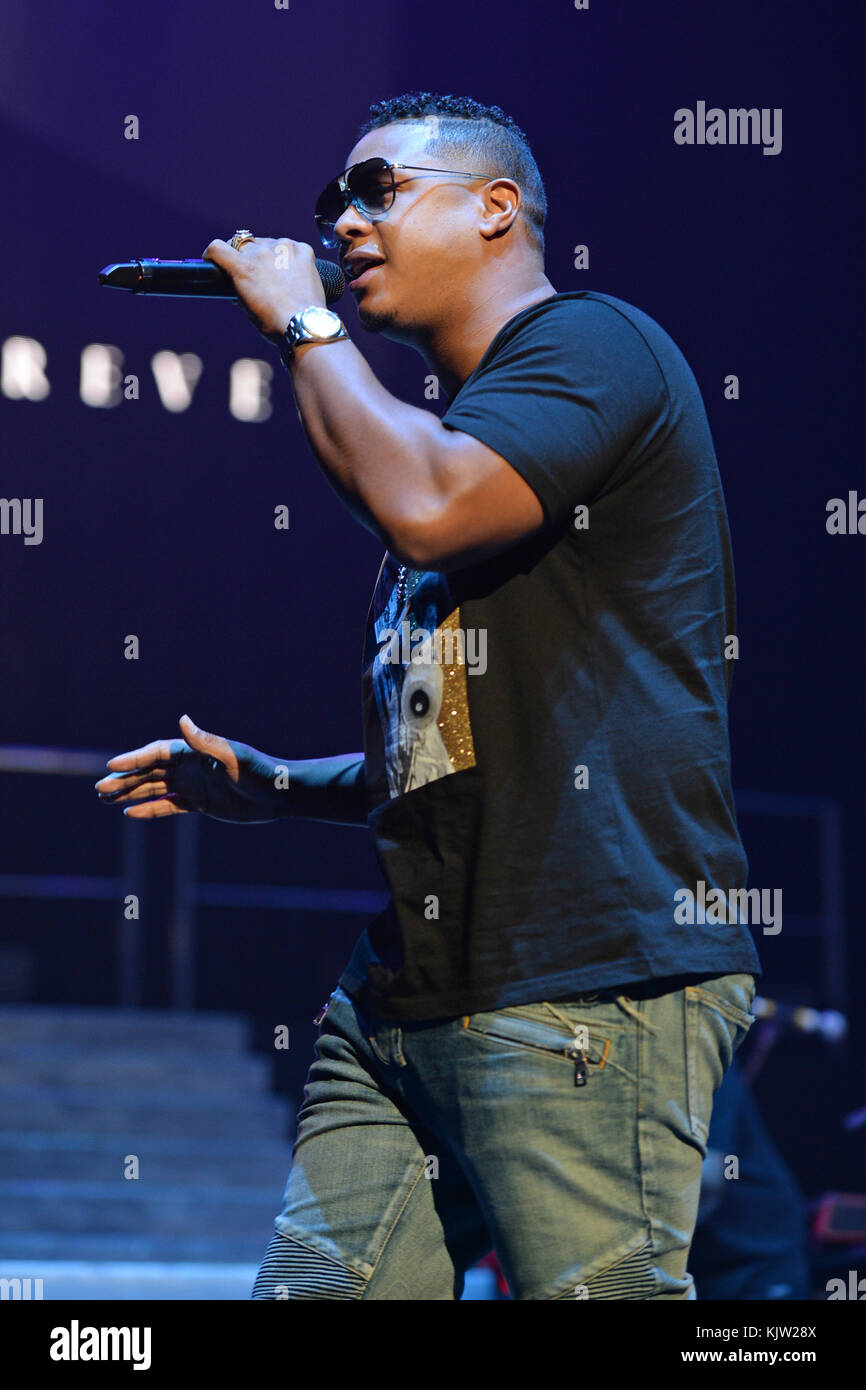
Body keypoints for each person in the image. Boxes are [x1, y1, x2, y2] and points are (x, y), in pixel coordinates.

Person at [95, 92, 761, 1300]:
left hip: (581, 981)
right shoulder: (459, 431)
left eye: (377, 190)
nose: (343, 223)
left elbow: (428, 505)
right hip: (404, 990)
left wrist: (301, 323)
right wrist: (280, 788)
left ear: (497, 208)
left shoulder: (592, 347)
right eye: (330, 206)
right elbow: (456, 750)